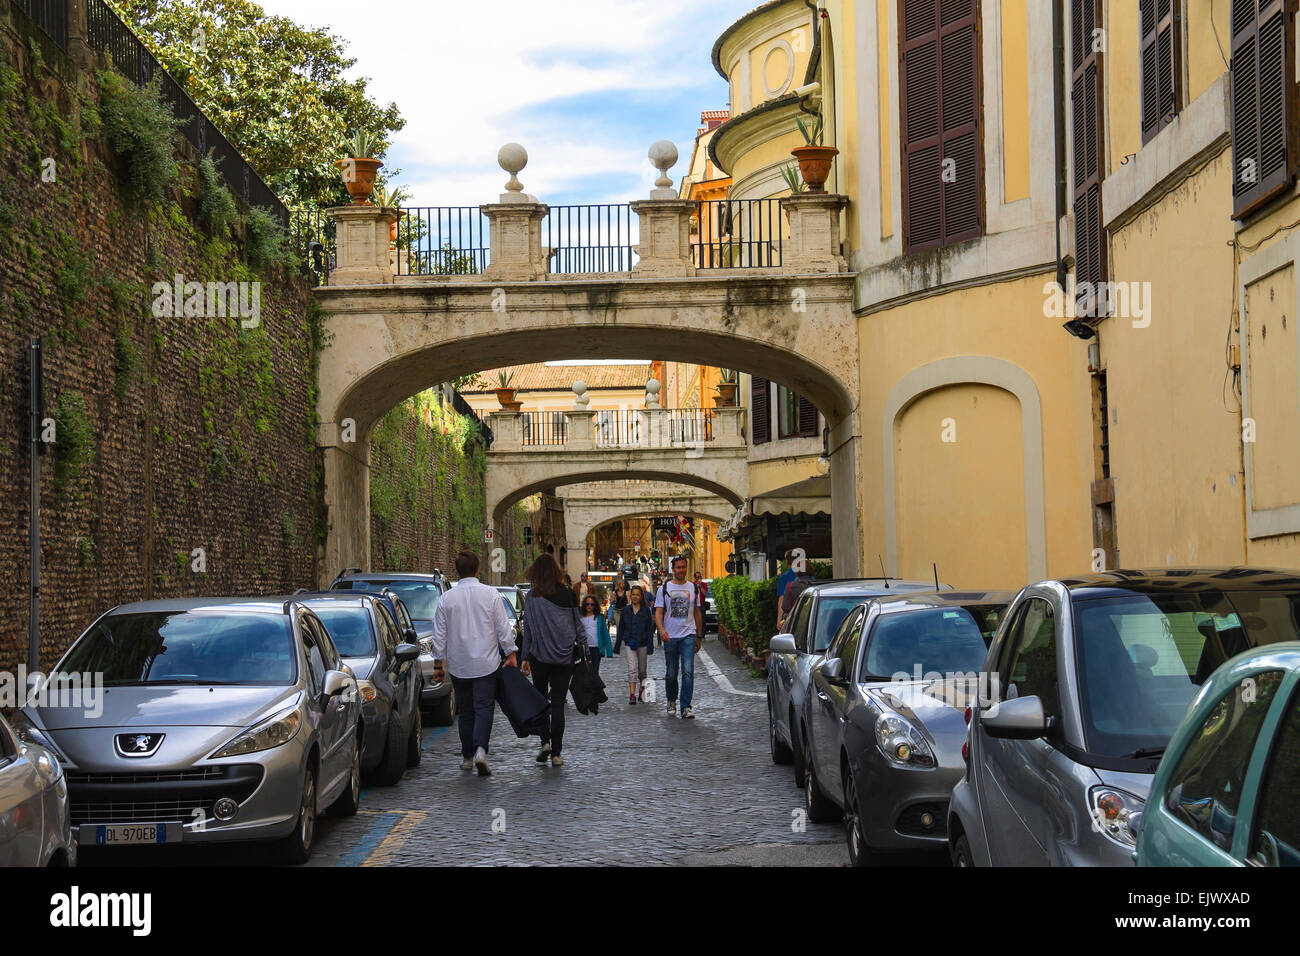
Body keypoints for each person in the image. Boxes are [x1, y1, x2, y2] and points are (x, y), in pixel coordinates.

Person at [430, 550, 516, 776]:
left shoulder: (446, 599)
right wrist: (511, 652)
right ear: (478, 569)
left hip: (460, 664)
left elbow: (439, 635)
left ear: (457, 571)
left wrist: (438, 665)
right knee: (484, 707)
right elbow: (502, 627)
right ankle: (480, 750)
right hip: (486, 662)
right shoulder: (491, 594)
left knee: (465, 710)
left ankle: (467, 756)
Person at [520, 553, 583, 767]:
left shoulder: (531, 597)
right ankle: (556, 753)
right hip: (564, 658)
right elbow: (577, 624)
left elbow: (527, 629)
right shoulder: (567, 594)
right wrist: (584, 649)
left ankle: (544, 742)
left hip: (539, 657)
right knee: (557, 704)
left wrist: (525, 656)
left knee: (540, 702)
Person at [654, 555, 703, 719]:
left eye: (683, 567)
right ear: (673, 569)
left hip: (688, 634)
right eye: (678, 567)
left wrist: (699, 636)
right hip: (670, 636)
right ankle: (671, 700)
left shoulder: (693, 588)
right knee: (671, 673)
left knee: (688, 671)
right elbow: (658, 612)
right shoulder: (664, 588)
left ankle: (686, 706)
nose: (681, 570)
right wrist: (661, 631)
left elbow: (697, 612)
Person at [614, 585, 655, 704]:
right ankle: (632, 694)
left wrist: (650, 646)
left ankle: (641, 688)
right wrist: (617, 645)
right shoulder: (626, 610)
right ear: (630, 596)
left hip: (643, 643)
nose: (635, 597)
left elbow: (649, 630)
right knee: (632, 669)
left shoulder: (646, 610)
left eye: (638, 594)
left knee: (642, 670)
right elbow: (621, 628)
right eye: (633, 594)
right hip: (629, 643)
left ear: (641, 596)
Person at [774, 550, 797, 630]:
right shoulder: (809, 576)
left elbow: (781, 599)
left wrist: (779, 620)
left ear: (787, 561)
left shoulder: (784, 578)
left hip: (790, 616)